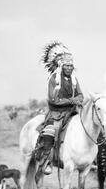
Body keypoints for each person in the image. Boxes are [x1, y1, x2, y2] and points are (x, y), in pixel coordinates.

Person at [34, 42, 84, 175]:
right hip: (56, 113)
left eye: (71, 66)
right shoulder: (53, 79)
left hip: (72, 112)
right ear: (61, 66)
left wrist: (77, 100)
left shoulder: (74, 80)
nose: (69, 68)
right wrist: (70, 100)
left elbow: (80, 95)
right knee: (51, 132)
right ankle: (46, 161)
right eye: (66, 66)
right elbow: (53, 99)